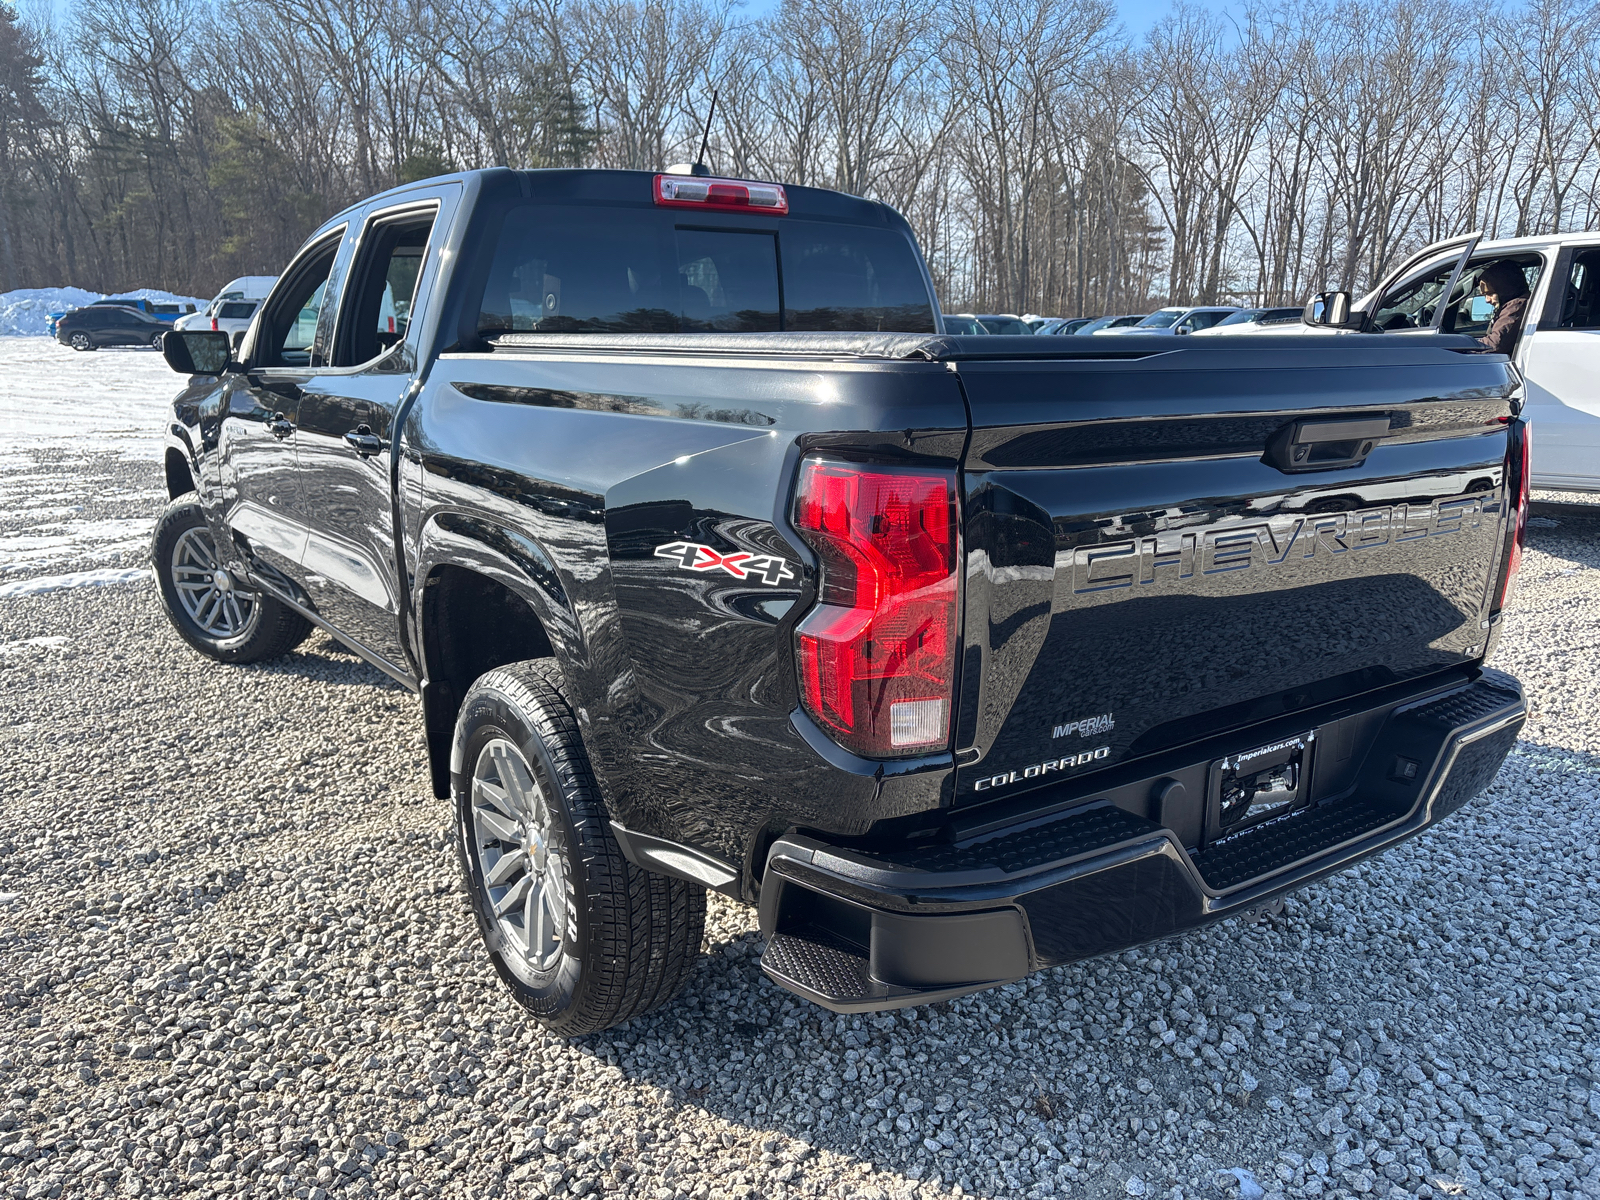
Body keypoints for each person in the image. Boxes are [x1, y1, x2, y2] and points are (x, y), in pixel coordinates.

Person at [1473, 260, 1530, 355]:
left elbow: (1495, 343)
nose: (1487, 300)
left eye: (1490, 293)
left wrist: (1466, 346)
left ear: (1505, 290)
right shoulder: (1511, 306)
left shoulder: (1515, 308)